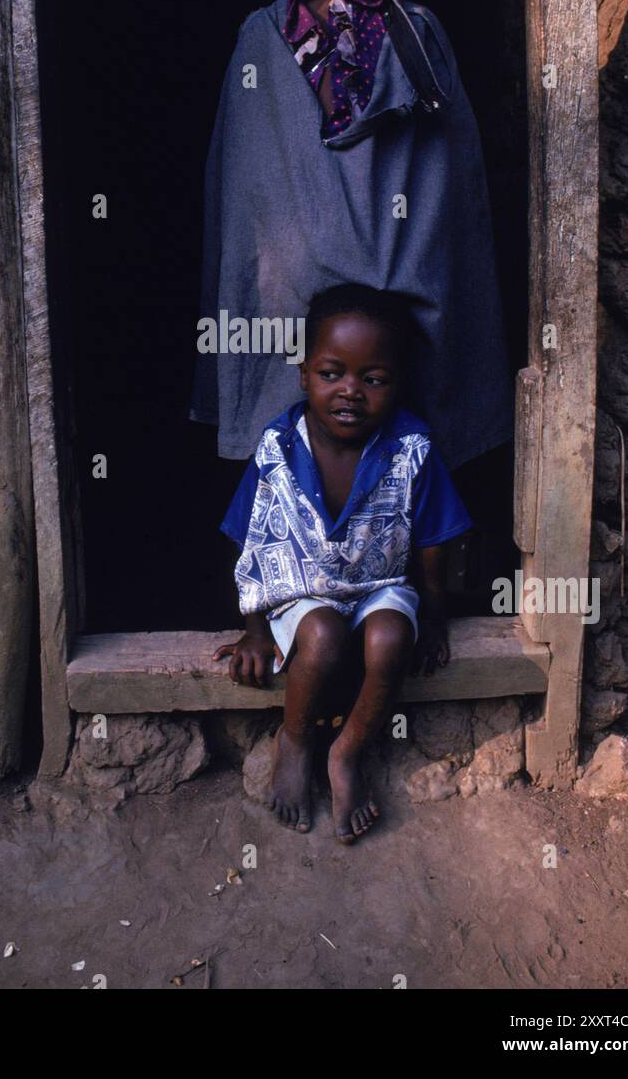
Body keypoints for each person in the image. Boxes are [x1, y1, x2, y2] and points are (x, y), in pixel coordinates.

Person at [190, 0, 512, 475]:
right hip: (296, 304)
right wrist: (301, 267)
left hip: (403, 296)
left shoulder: (418, 36)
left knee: (410, 475)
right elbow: (248, 193)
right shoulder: (261, 40)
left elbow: (444, 190)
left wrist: (396, 278)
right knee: (296, 469)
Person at [215, 285, 473, 844]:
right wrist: (254, 629)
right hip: (302, 593)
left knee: (387, 639)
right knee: (324, 636)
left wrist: (432, 615)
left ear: (397, 384)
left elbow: (433, 542)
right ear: (304, 374)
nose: (350, 391)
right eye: (333, 373)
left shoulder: (412, 449)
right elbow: (253, 539)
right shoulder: (278, 449)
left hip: (380, 585)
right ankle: (297, 739)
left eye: (373, 379)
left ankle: (348, 752)